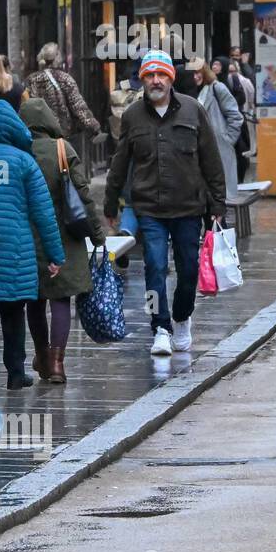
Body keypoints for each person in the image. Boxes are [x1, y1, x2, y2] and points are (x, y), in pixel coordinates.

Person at [104, 50, 226, 356]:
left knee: (188, 271)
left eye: (161, 75)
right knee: (154, 268)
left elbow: (211, 160)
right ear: (143, 79)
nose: (156, 81)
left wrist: (218, 205)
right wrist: (110, 203)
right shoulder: (133, 115)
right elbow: (120, 162)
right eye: (150, 75)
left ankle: (182, 317)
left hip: (188, 206)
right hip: (150, 208)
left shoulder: (192, 109)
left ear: (171, 78)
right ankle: (159, 327)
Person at [0, 99, 65, 390]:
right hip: (17, 252)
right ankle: (16, 372)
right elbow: (43, 212)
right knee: (14, 316)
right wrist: (55, 255)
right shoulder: (25, 161)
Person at [20, 98, 108, 383]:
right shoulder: (62, 149)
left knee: (34, 300)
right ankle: (57, 363)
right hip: (65, 236)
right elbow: (82, 194)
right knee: (60, 301)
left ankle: (42, 355)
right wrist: (97, 234)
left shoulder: (18, 151)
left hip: (29, 236)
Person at [186, 57, 244, 201]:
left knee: (219, 198)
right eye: (192, 73)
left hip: (218, 147)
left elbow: (235, 117)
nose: (196, 76)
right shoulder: (187, 92)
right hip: (196, 150)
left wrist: (227, 139)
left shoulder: (217, 88)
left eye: (198, 72)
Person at [25, 42, 101, 148]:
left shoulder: (31, 79)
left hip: (39, 133)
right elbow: (78, 107)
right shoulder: (65, 79)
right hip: (61, 134)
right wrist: (94, 127)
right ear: (57, 57)